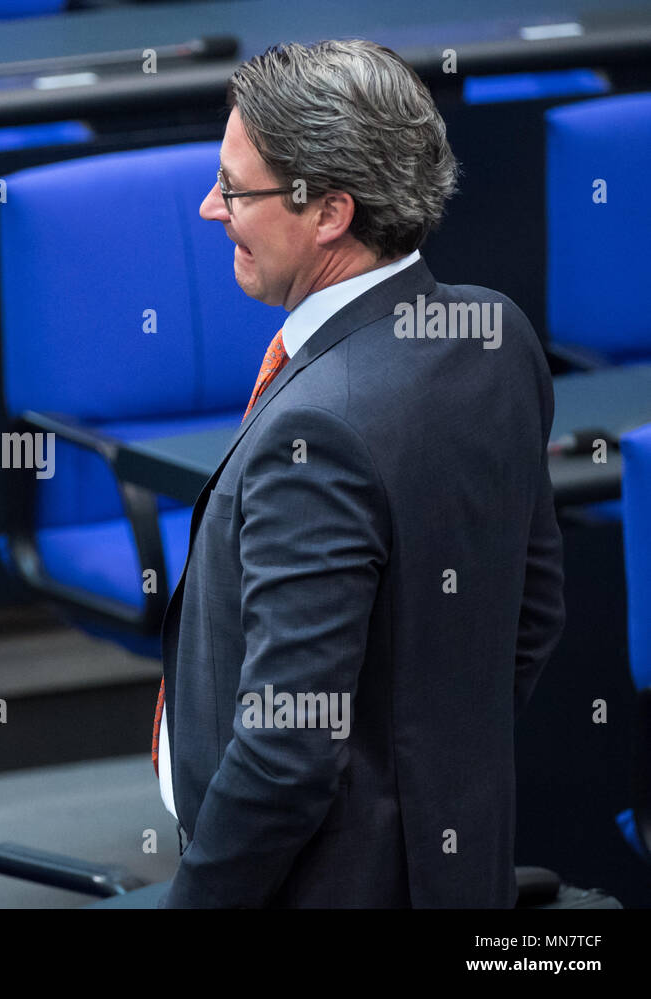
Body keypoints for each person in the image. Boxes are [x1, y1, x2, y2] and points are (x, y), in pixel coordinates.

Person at [153, 39, 565, 907]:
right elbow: (533, 610)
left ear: (329, 211)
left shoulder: (317, 427)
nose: (209, 208)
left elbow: (284, 749)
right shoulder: (498, 335)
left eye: (234, 189)